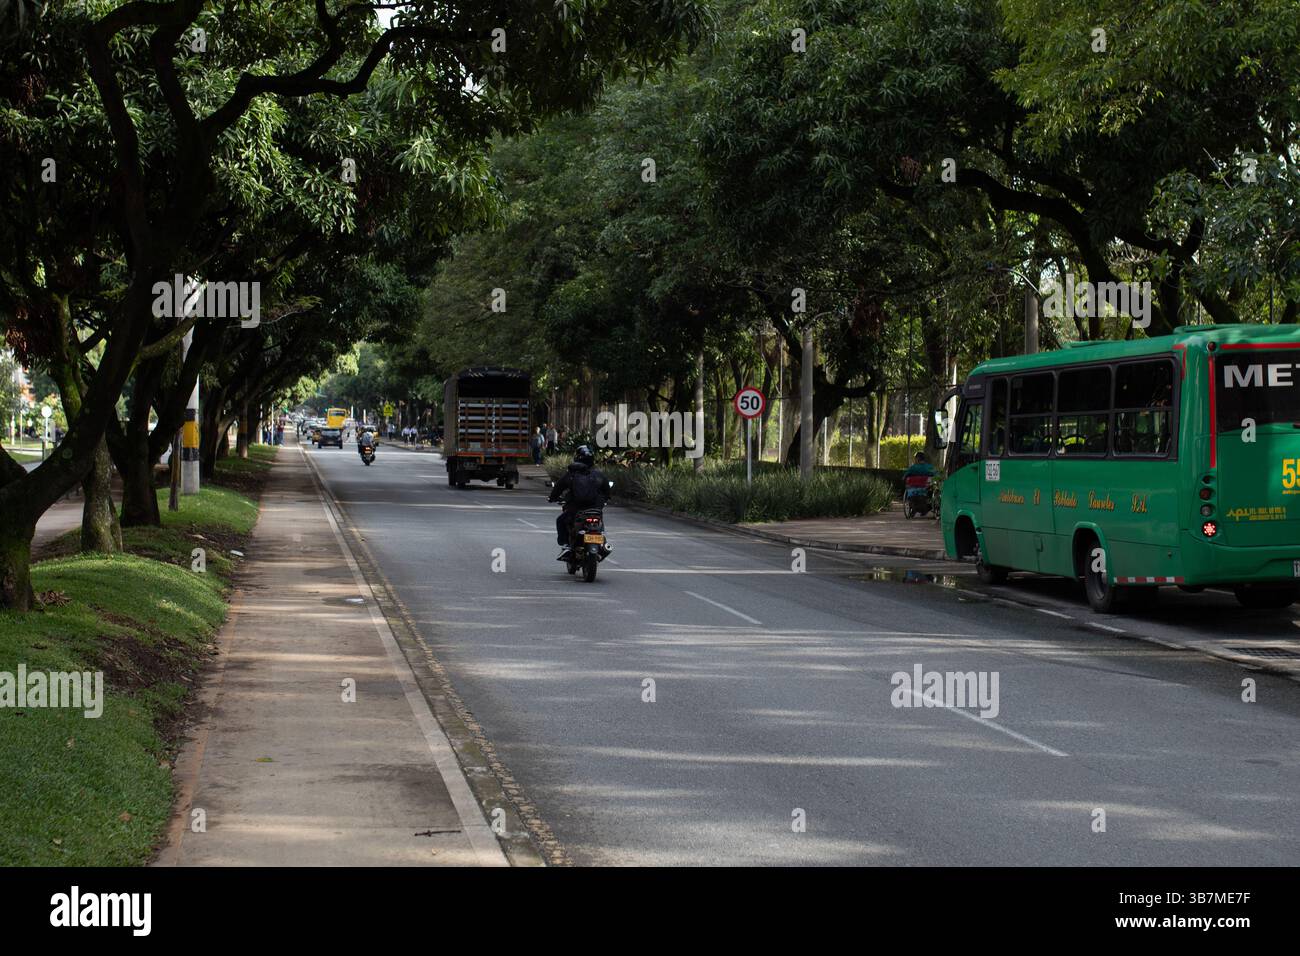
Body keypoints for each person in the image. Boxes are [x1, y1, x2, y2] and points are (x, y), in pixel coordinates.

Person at [547, 445, 610, 558]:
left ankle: (566, 545)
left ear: (577, 457)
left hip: (576, 509)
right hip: (595, 508)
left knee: (560, 521)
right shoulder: (598, 475)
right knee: (599, 520)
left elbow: (558, 487)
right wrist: (604, 500)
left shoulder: (571, 474)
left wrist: (552, 498)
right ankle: (603, 543)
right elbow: (607, 491)